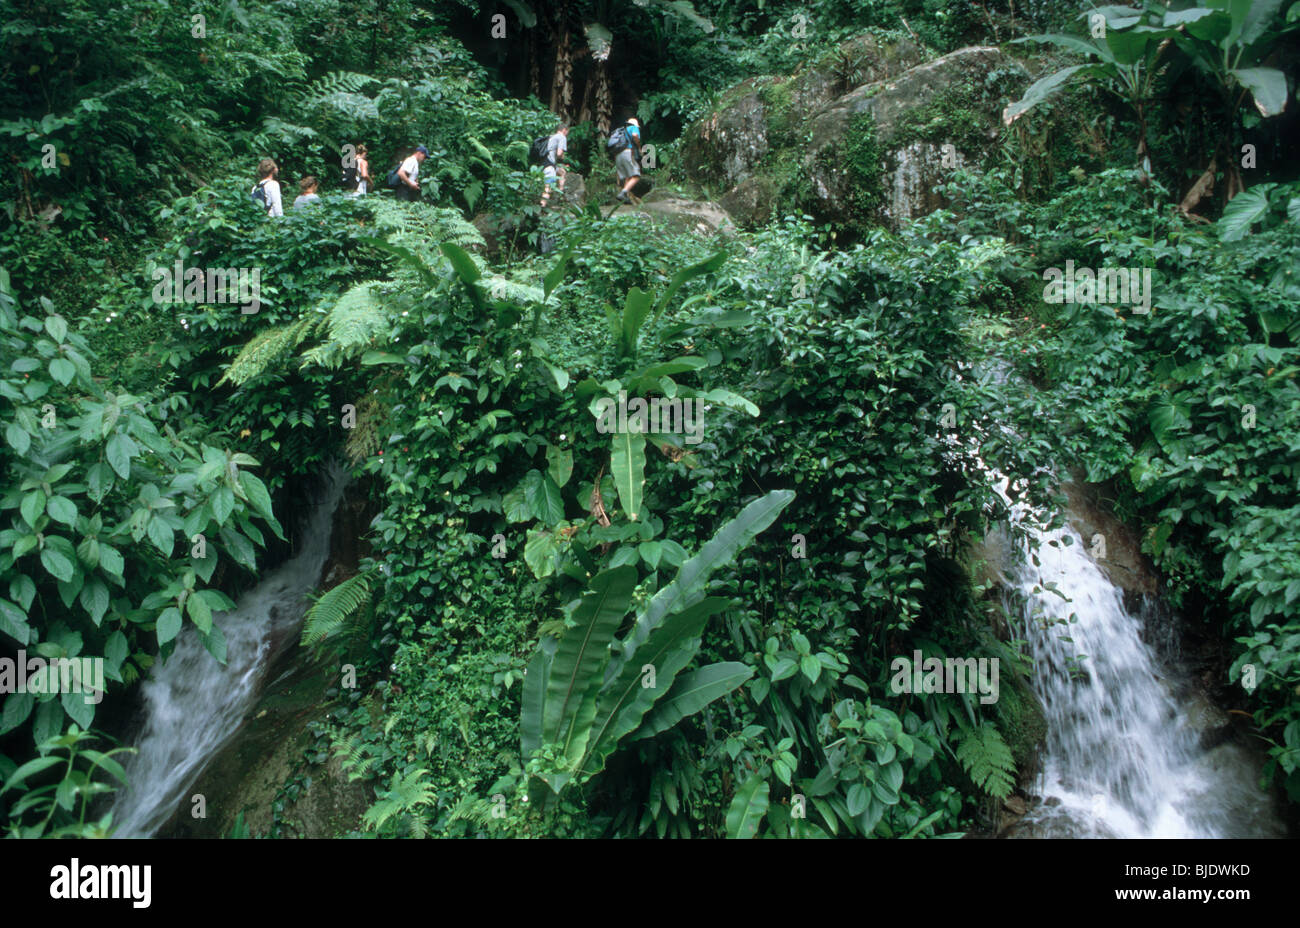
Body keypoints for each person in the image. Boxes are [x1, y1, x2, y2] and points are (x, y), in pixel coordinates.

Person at [614, 119, 643, 204]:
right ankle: (623, 193)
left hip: (618, 155)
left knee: (628, 176)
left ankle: (625, 197)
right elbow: (635, 135)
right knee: (636, 175)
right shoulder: (633, 128)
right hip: (628, 152)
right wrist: (639, 146)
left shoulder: (621, 131)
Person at [540, 124, 569, 207]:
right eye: (567, 132)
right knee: (548, 187)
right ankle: (542, 206)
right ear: (564, 130)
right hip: (549, 165)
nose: (566, 134)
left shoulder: (552, 137)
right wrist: (562, 156)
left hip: (545, 163)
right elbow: (559, 153)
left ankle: (561, 193)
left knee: (562, 172)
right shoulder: (562, 137)